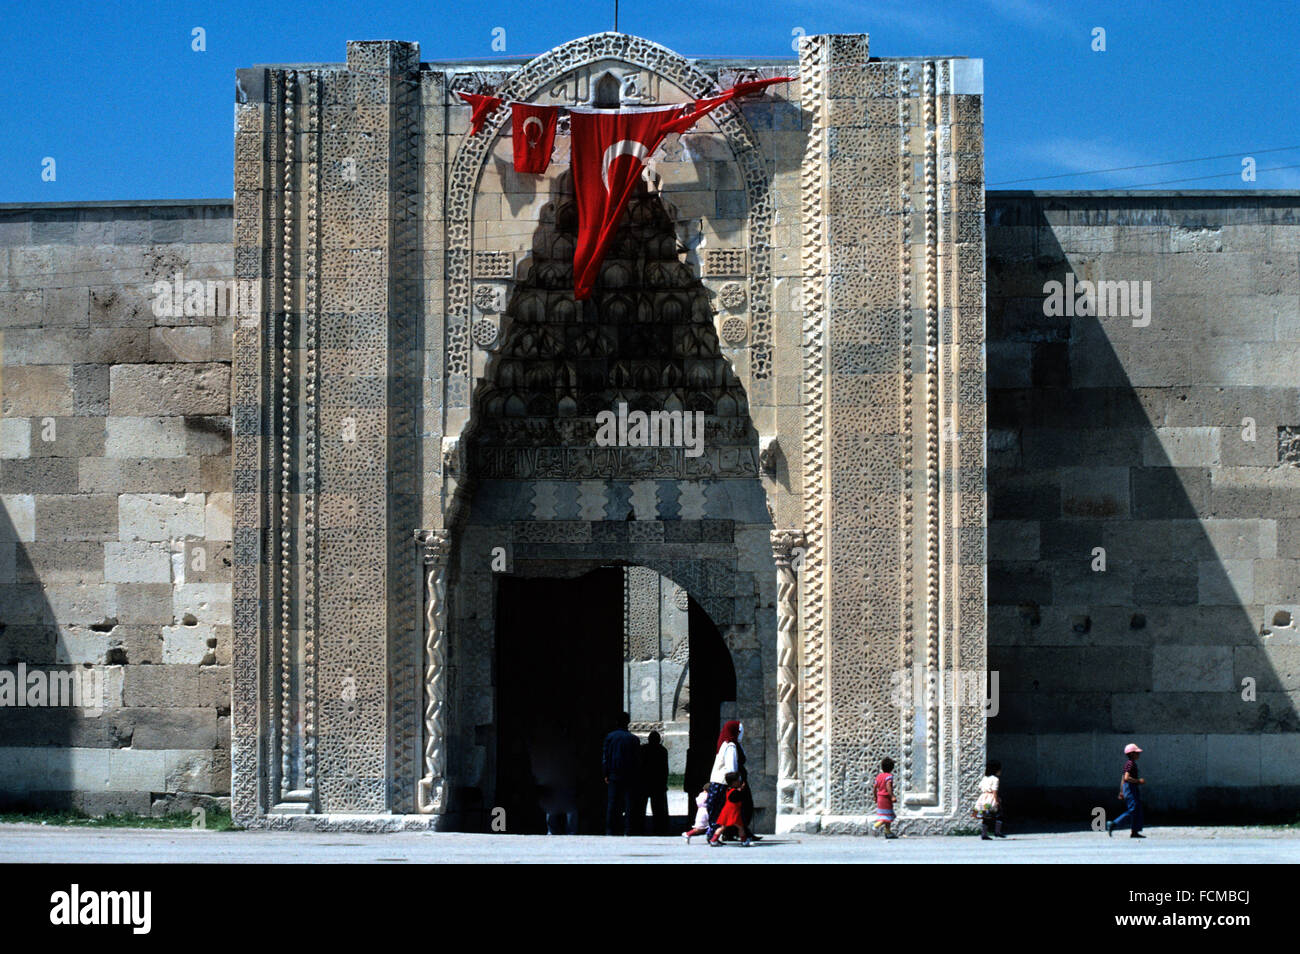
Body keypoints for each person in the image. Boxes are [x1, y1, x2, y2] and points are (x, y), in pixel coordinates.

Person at [602, 712, 641, 836]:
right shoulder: (634, 739)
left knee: (612, 804)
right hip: (630, 775)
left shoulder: (610, 737)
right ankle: (628, 830)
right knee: (629, 803)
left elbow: (605, 757)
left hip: (614, 774)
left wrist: (605, 774)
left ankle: (610, 830)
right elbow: (637, 759)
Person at [706, 720, 742, 840]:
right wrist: (737, 782)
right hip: (723, 782)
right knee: (720, 811)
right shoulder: (730, 746)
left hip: (716, 781)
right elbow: (731, 767)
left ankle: (715, 835)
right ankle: (714, 836)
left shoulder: (724, 744)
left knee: (715, 809)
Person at [1107, 743, 1145, 838]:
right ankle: (1114, 823)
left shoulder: (1130, 764)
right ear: (1131, 754)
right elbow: (1127, 778)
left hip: (1129, 788)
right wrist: (1138, 781)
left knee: (1137, 809)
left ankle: (1134, 832)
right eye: (1136, 753)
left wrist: (1121, 791)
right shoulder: (1130, 764)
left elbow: (1123, 778)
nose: (1138, 755)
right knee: (1133, 809)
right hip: (1130, 788)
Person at [708, 772, 753, 847]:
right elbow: (737, 798)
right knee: (740, 827)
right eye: (738, 780)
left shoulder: (728, 790)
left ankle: (713, 840)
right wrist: (741, 790)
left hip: (726, 812)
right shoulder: (734, 792)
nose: (739, 781)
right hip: (733, 812)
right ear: (734, 782)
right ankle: (744, 841)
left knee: (722, 827)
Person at [639, 730, 669, 835]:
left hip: (645, 781)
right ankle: (660, 828)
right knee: (658, 808)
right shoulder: (662, 750)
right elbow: (665, 769)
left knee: (641, 806)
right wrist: (664, 782)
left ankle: (639, 826)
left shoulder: (643, 749)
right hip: (657, 782)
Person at [975, 760, 1004, 840]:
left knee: (986, 816)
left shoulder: (985, 778)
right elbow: (995, 791)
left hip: (983, 797)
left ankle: (984, 833)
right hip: (991, 798)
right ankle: (997, 831)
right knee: (999, 814)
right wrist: (997, 801)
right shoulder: (995, 779)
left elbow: (980, 786)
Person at [872, 757, 898, 838]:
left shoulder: (879, 776)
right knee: (886, 816)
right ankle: (876, 826)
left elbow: (874, 787)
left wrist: (875, 796)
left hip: (880, 798)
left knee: (885, 815)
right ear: (892, 768)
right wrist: (892, 796)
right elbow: (888, 787)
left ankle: (888, 831)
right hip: (886, 798)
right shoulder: (889, 776)